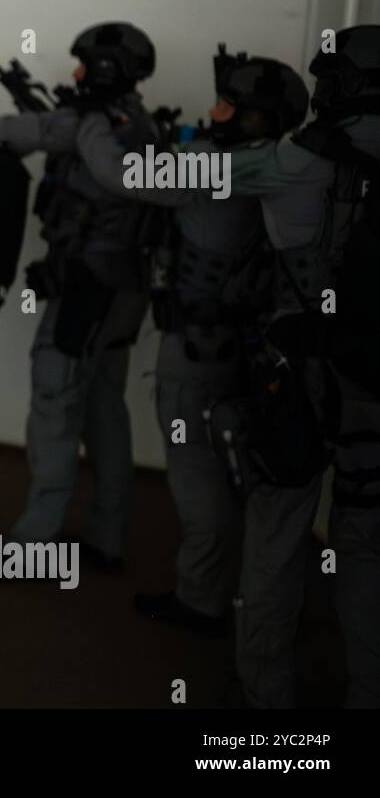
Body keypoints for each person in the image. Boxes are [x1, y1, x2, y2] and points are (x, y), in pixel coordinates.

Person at [0, 23, 165, 570]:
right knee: (103, 405)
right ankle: (107, 535)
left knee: (54, 406)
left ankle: (33, 546)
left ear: (108, 70)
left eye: (85, 66)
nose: (76, 75)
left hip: (88, 289)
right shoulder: (133, 124)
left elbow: (30, 130)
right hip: (121, 289)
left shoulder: (96, 129)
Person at [217, 25, 380, 707]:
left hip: (303, 376)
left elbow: (200, 176)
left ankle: (268, 707)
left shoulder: (300, 157)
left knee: (277, 534)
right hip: (374, 382)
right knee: (366, 543)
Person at [127, 48, 309, 635]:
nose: (216, 109)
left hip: (194, 350)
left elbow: (136, 178)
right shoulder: (270, 163)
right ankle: (217, 587)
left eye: (229, 103)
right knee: (219, 461)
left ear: (256, 118)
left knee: (193, 467)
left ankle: (201, 598)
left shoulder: (222, 166)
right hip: (233, 345)